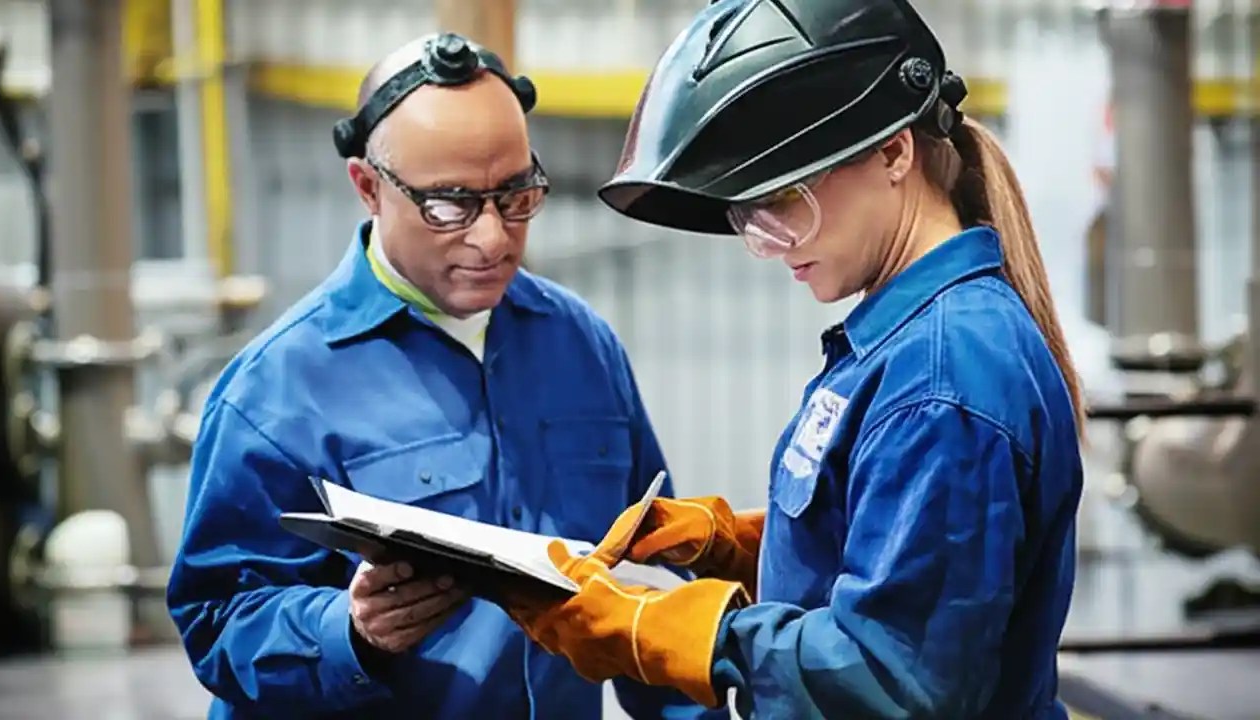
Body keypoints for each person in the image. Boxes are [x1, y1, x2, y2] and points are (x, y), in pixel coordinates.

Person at [500, 2, 1086, 719]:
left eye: (785, 200)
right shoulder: (910, 344)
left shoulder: (941, 379)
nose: (771, 242)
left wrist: (664, 631)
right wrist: (741, 544)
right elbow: (908, 570)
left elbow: (895, 679)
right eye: (751, 217)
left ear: (895, 152)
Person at [166, 31, 719, 719]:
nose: (492, 238)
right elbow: (217, 619)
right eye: (450, 204)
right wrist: (349, 631)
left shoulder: (580, 346)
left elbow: (645, 577)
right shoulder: (276, 391)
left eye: (517, 195)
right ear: (368, 187)